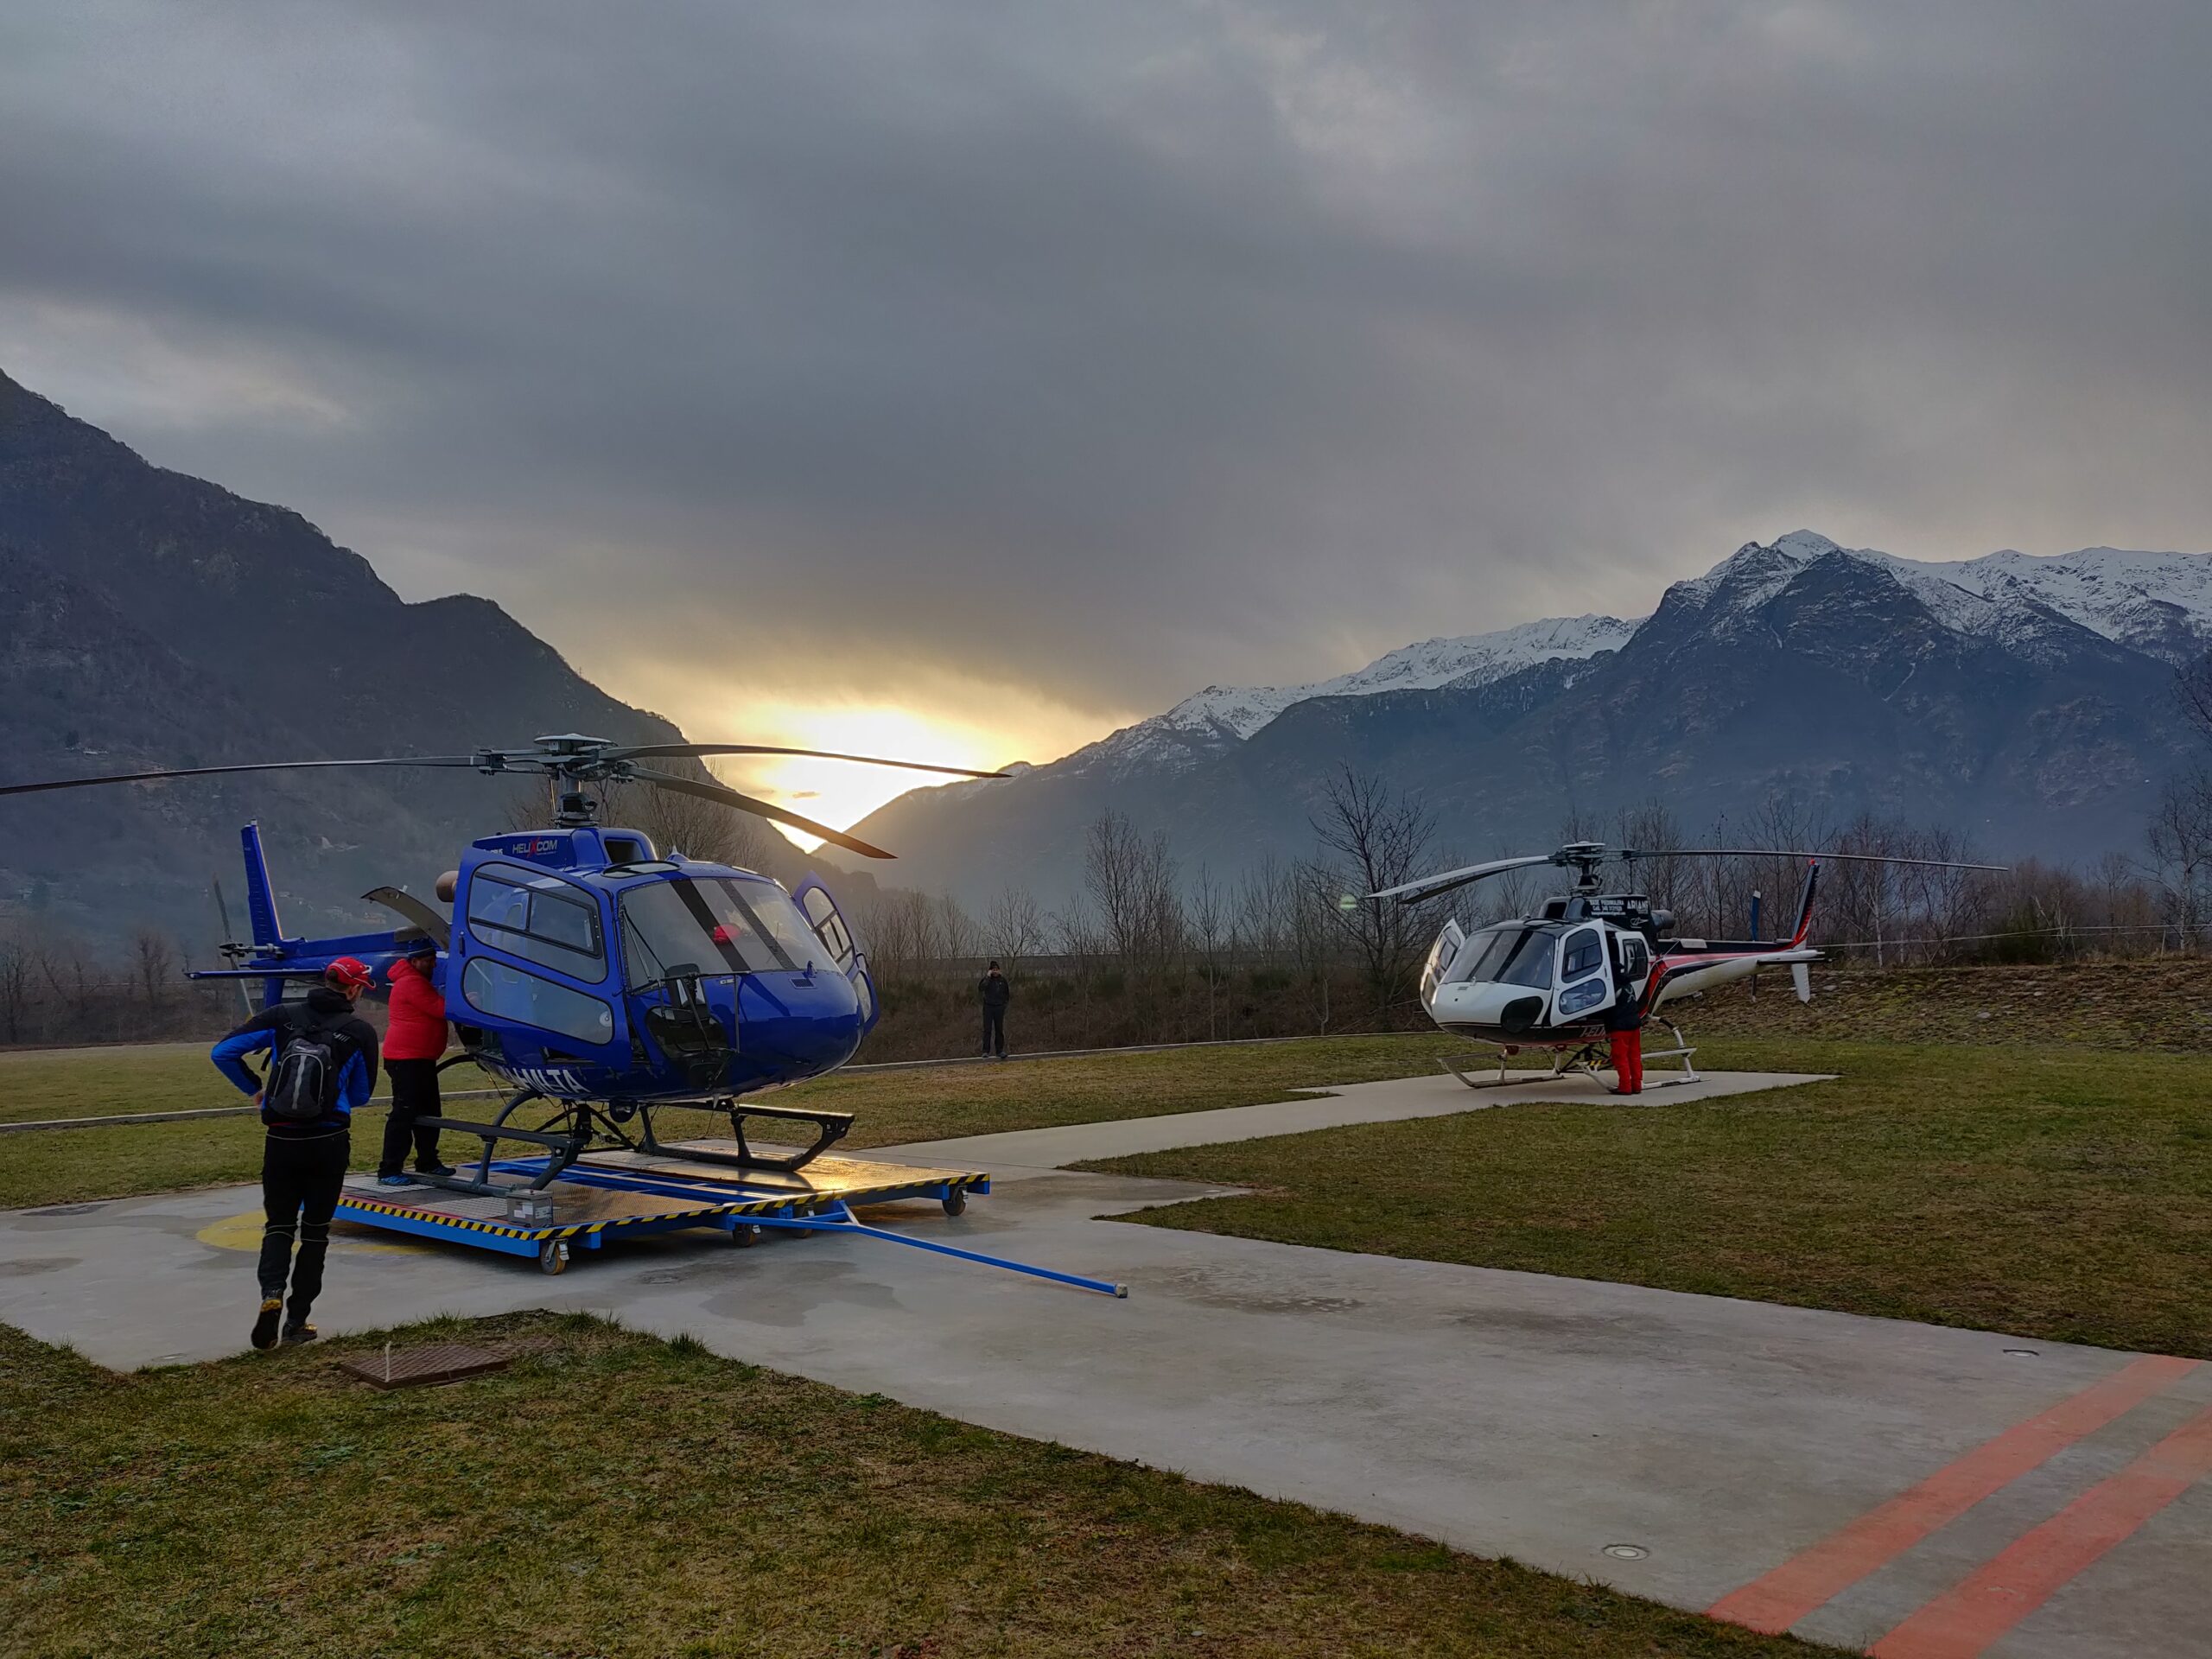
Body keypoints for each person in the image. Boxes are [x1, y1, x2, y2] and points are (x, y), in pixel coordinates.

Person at [210, 957, 381, 1351]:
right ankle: (297, 1320)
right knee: (316, 1233)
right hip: (329, 1141)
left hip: (282, 1140)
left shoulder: (281, 1016)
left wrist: (257, 1090)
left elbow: (223, 1053)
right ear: (354, 989)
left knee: (278, 1226)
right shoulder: (360, 1032)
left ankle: (270, 1292)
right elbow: (360, 1095)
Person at [378, 940, 454, 1186]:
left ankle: (428, 1161)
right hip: (407, 1059)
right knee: (404, 1113)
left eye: (433, 959)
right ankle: (389, 1168)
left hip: (420, 1058)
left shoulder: (418, 981)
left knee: (429, 1111)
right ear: (414, 962)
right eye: (427, 960)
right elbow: (439, 1008)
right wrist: (467, 1000)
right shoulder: (411, 983)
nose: (433, 964)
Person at [1604, 946, 1644, 1096]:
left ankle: (1625, 1087)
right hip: (1634, 1024)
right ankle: (1636, 1085)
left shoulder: (1613, 987)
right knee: (1634, 1056)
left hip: (1620, 1027)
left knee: (1620, 1057)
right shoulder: (1628, 985)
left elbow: (1605, 1005)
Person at [977, 960, 1011, 1059]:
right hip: (988, 1007)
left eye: (996, 970)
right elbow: (981, 988)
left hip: (999, 1007)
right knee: (987, 1029)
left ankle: (999, 1050)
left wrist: (1004, 1005)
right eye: (993, 970)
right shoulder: (987, 980)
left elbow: (1007, 994)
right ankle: (985, 1051)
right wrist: (988, 977)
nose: (995, 972)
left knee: (999, 1029)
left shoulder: (1002, 981)